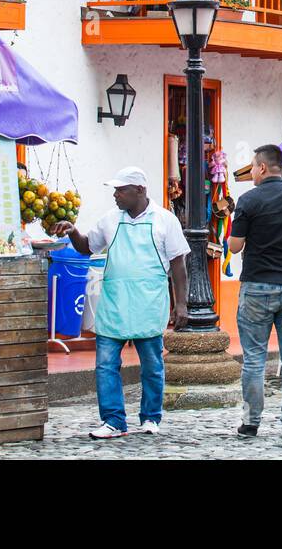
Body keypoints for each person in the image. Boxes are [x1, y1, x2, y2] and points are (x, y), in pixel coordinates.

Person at [52, 166, 189, 439]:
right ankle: (113, 420)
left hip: (149, 302)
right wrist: (72, 232)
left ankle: (150, 417)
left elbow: (178, 264)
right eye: (115, 190)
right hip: (114, 302)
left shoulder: (165, 220)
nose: (116, 195)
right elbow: (87, 247)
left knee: (151, 365)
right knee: (105, 364)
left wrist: (181, 303)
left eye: (121, 190)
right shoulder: (110, 220)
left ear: (140, 190)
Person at [228, 143, 282, 439]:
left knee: (254, 357)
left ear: (263, 167)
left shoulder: (248, 200)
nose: (252, 172)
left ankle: (251, 422)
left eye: (253, 166)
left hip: (257, 285)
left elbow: (235, 245)